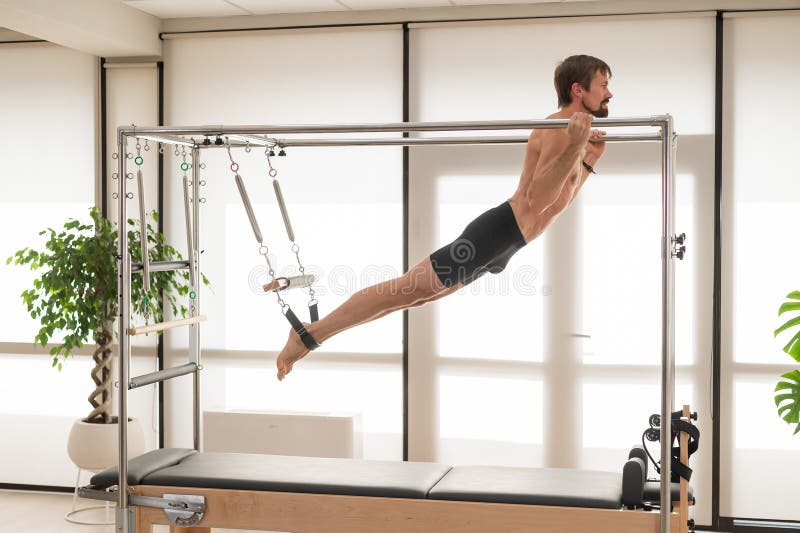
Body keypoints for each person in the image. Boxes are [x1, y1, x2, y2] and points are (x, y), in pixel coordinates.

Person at [276, 54, 613, 380]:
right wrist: (574, 147)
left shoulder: (573, 137)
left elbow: (557, 204)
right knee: (403, 289)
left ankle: (311, 336)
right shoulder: (556, 129)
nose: (609, 93)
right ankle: (308, 335)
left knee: (414, 298)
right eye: (603, 84)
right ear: (577, 90)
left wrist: (587, 161)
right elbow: (537, 200)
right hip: (498, 231)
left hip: (510, 244)